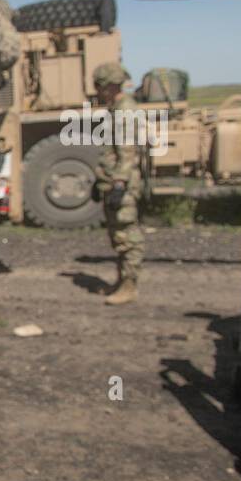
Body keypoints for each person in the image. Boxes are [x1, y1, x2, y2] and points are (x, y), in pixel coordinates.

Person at [91, 61, 143, 306]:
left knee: (127, 235)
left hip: (122, 184)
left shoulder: (125, 110)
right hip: (113, 181)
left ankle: (129, 286)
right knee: (118, 235)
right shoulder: (116, 109)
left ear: (110, 86)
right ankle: (122, 281)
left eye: (99, 86)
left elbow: (127, 152)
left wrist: (120, 183)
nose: (97, 92)